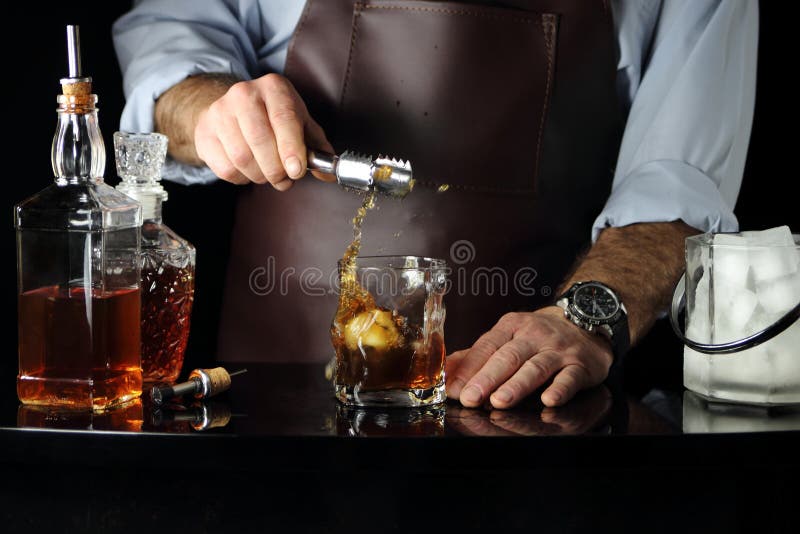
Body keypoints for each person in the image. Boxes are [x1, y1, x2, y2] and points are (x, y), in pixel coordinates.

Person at [112, 0, 758, 409]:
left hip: (532, 417)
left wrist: (583, 319)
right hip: (267, 410)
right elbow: (174, 36)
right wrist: (207, 107)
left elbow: (676, 192)